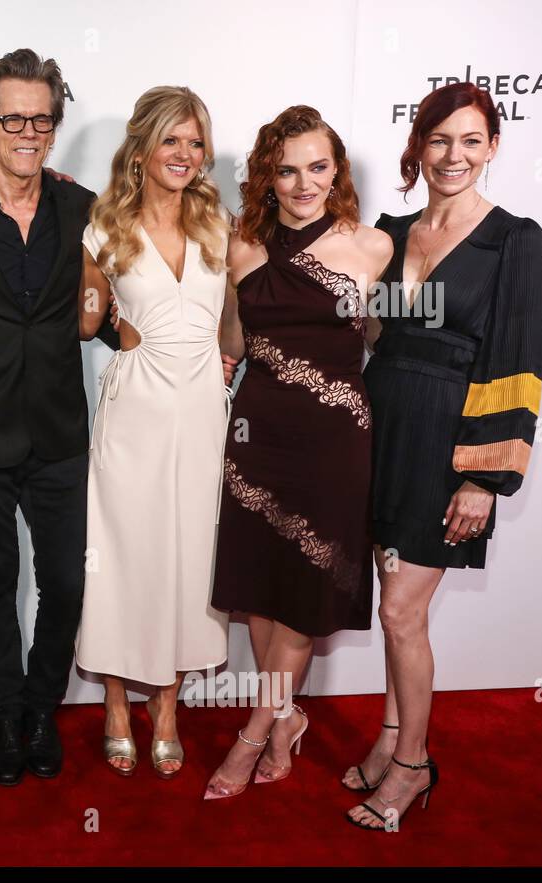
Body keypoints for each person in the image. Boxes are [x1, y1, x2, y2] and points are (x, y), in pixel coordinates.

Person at [344, 82, 542, 830]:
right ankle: (391, 735)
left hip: (447, 438)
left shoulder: (513, 239)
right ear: (419, 148)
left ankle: (412, 766)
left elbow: (518, 358)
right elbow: (371, 334)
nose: (454, 155)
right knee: (390, 601)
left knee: (402, 612)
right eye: (440, 141)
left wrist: (481, 477)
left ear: (492, 146)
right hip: (382, 423)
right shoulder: (391, 229)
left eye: (470, 141)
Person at [204, 105, 393, 800]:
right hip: (258, 433)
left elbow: (381, 339)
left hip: (334, 440)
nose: (303, 182)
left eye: (317, 167)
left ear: (337, 170)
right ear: (267, 176)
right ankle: (287, 719)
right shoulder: (240, 244)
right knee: (259, 590)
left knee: (303, 596)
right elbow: (234, 342)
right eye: (287, 170)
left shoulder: (372, 247)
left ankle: (253, 731)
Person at [0, 48, 118, 787]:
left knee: (65, 585)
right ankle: (6, 712)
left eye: (41, 118)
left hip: (59, 432)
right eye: (12, 117)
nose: (28, 131)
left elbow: (114, 307)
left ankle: (44, 705)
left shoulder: (84, 209)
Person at [75, 86, 233, 779]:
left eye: (195, 142)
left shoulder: (221, 225)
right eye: (172, 140)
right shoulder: (102, 228)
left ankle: (166, 710)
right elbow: (85, 321)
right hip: (133, 408)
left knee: (188, 557)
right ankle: (115, 704)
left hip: (202, 408)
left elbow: (233, 322)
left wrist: (232, 355)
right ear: (141, 148)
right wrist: (108, 314)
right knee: (123, 555)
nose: (185, 154)